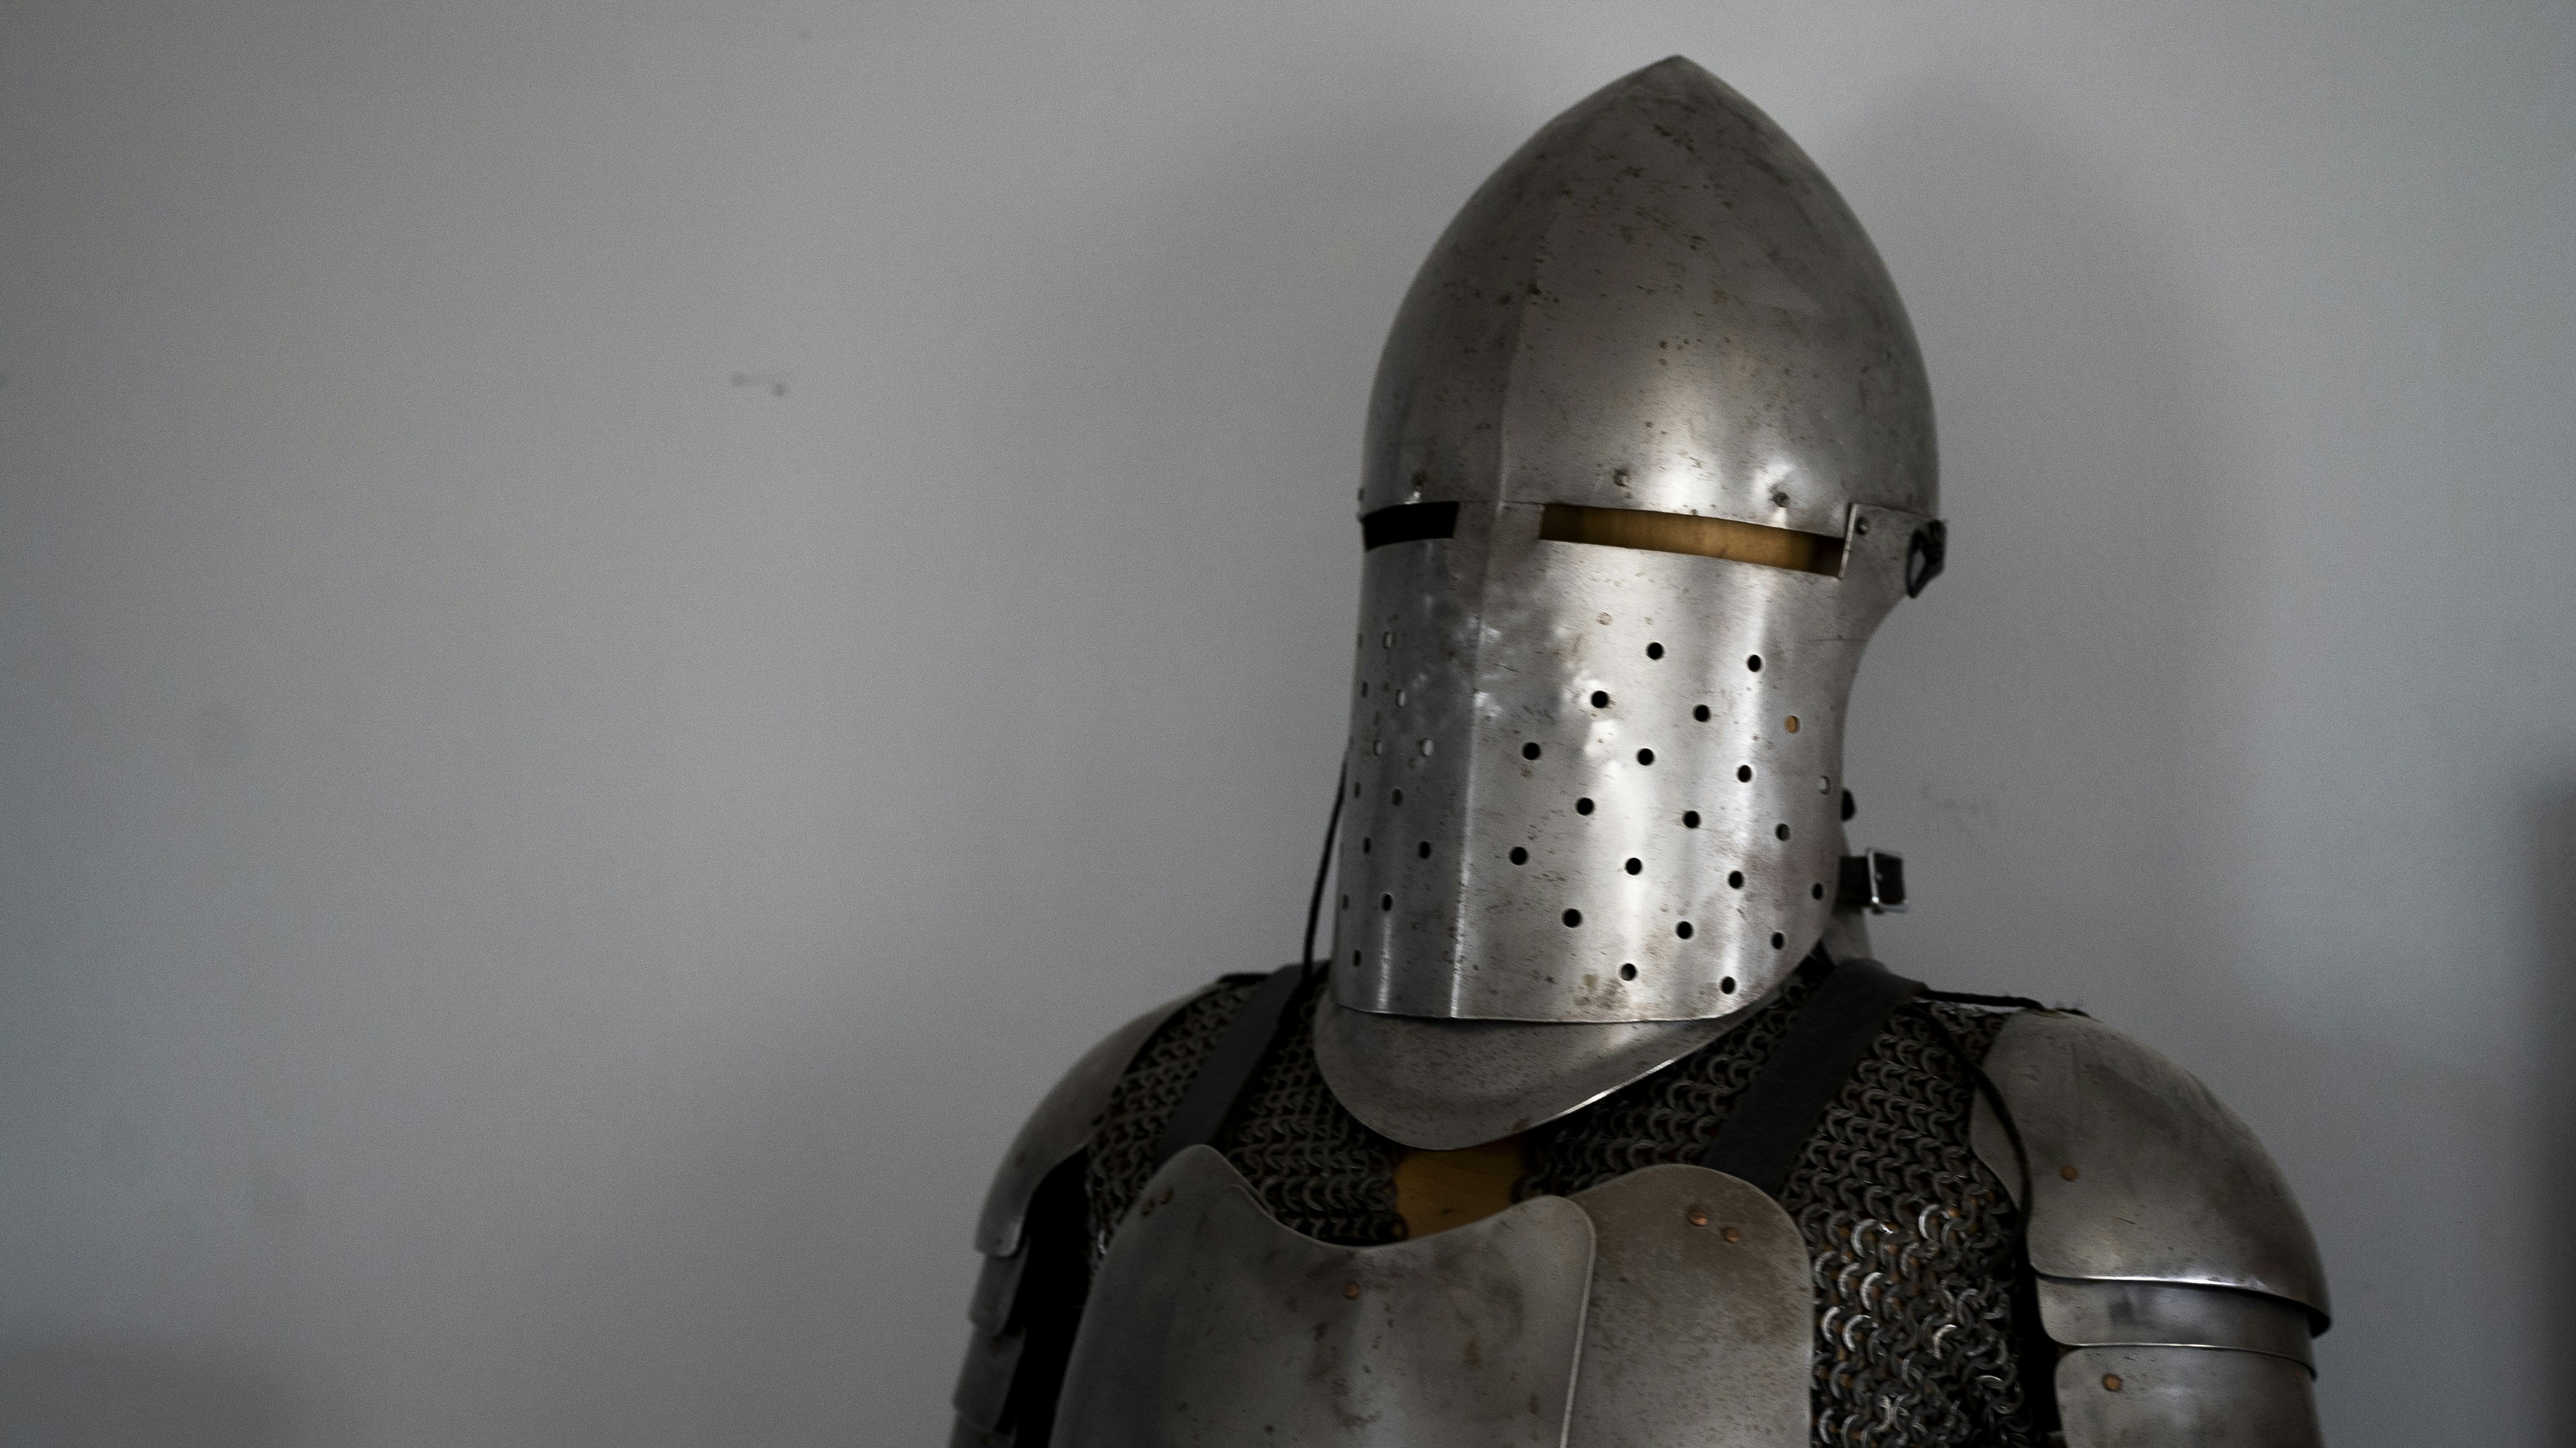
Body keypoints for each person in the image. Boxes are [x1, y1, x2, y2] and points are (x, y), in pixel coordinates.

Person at [949, 56, 2328, 1448]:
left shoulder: (2056, 1169)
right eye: (1449, 539)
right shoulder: (1138, 1110)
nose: (1523, 637)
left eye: (1639, 551)